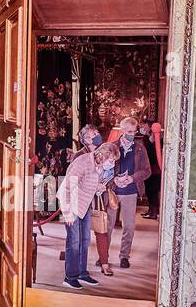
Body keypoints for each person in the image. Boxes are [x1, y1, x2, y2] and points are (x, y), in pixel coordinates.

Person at [57, 141, 121, 290]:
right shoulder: (83, 162)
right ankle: (70, 276)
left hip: (84, 205)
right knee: (74, 241)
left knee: (85, 240)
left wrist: (98, 188)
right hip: (72, 204)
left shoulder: (98, 166)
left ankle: (82, 273)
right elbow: (66, 187)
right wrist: (66, 213)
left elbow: (88, 183)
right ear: (102, 155)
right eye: (111, 160)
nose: (112, 164)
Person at [108, 116, 152, 269]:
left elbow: (147, 171)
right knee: (108, 225)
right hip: (113, 191)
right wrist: (114, 179)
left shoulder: (140, 148)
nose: (131, 134)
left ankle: (124, 256)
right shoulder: (112, 146)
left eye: (134, 131)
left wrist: (132, 178)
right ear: (122, 130)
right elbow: (103, 170)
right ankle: (103, 256)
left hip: (131, 191)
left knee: (129, 227)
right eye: (128, 131)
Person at [77, 124, 118, 276]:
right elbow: (75, 179)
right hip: (84, 201)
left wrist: (106, 185)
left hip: (101, 199)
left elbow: (112, 174)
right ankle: (80, 268)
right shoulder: (80, 155)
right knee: (82, 235)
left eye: (96, 133)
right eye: (91, 135)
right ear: (85, 140)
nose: (96, 136)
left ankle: (104, 263)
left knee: (102, 230)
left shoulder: (107, 151)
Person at [138, 119, 162, 220]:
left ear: (148, 126)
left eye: (143, 126)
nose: (141, 128)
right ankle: (150, 210)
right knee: (148, 190)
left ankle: (154, 213)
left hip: (155, 168)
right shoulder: (146, 137)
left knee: (154, 191)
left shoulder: (157, 137)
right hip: (147, 167)